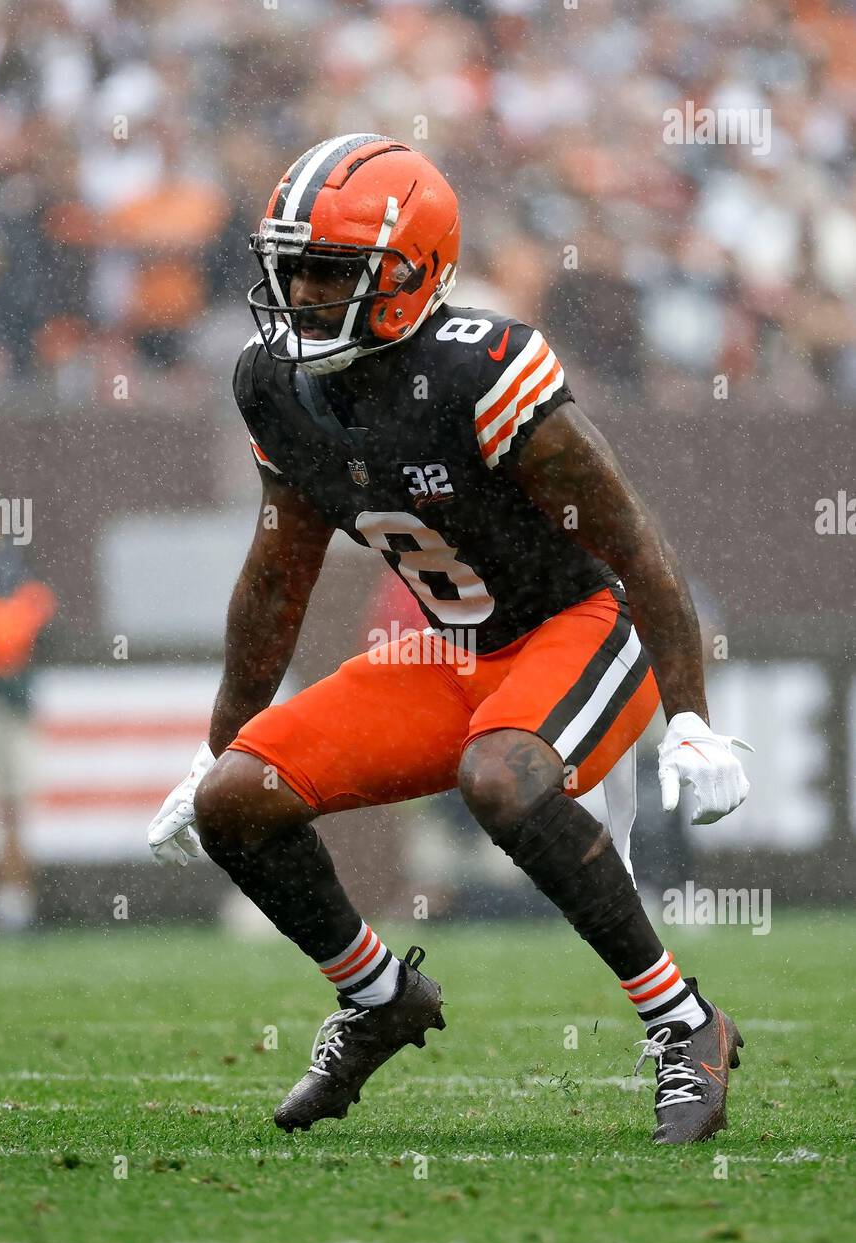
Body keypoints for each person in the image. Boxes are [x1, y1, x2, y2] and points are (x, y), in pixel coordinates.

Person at [147, 135, 751, 1144]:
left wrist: (690, 715)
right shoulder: (276, 385)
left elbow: (637, 546)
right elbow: (276, 574)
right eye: (289, 266)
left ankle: (687, 1025)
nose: (297, 291)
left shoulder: (484, 370)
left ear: (407, 278)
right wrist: (221, 743)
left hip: (579, 628)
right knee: (235, 802)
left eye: (327, 271)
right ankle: (379, 995)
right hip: (452, 650)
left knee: (502, 779)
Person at [0, 530, 56, 931]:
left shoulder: (15, 567)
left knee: (12, 804)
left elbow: (19, 636)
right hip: (1, 699)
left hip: (9, 702)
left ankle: (14, 897)